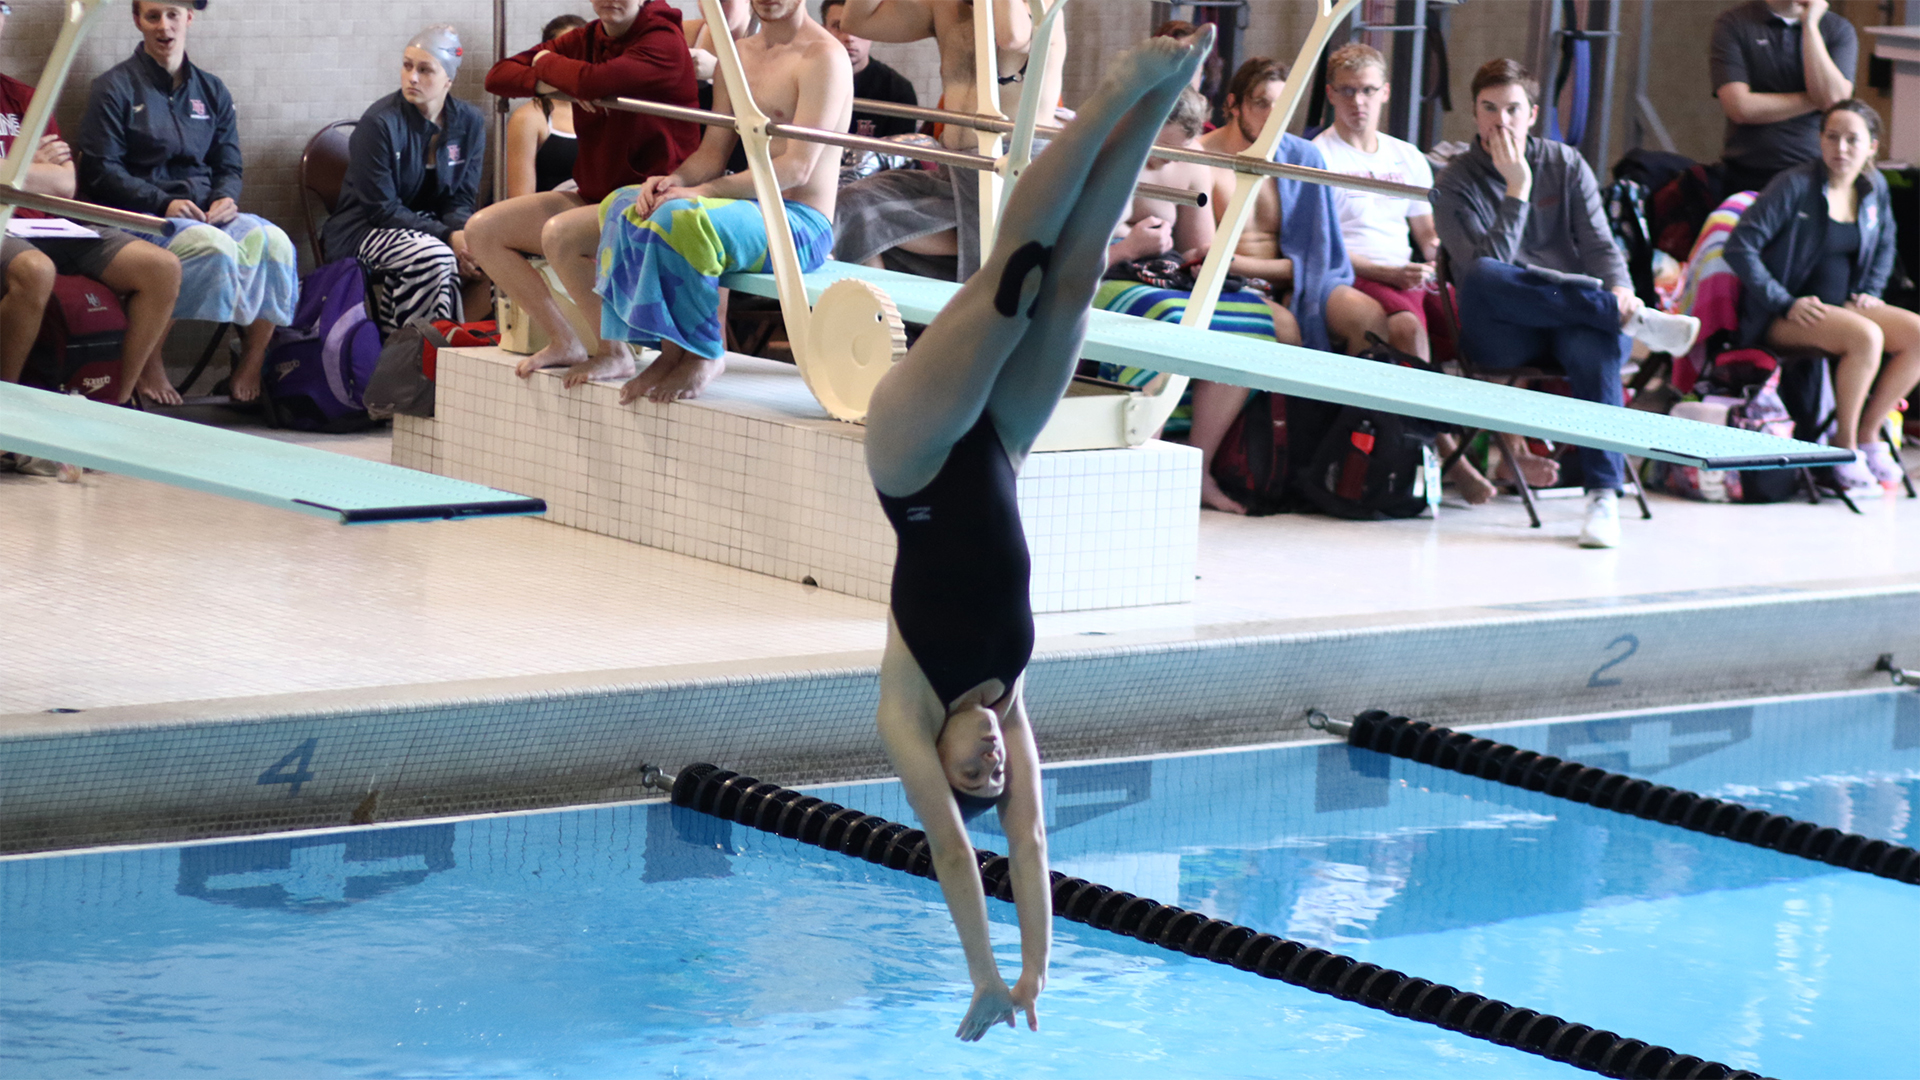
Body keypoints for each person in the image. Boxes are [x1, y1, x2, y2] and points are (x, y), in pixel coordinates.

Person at [866, 30, 1208, 1041]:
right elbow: (1033, 839)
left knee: (1011, 283)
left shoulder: (906, 705)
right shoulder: (1009, 703)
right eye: (993, 776)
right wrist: (1033, 974)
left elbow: (959, 854)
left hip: (917, 458)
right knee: (1075, 281)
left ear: (939, 753)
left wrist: (978, 970)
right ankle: (1159, 102)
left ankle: (1114, 91)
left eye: (972, 771)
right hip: (1001, 449)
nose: (993, 770)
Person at [1432, 59, 1701, 549]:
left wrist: (1620, 287)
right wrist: (1518, 188)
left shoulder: (1565, 163)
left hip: (1568, 319)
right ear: (1474, 115)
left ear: (1533, 114)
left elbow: (1601, 245)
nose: (1501, 122)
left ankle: (1602, 496)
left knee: (1592, 340)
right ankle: (1631, 321)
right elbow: (1484, 270)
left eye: (1512, 109)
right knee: (1485, 276)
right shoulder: (1454, 182)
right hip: (1503, 329)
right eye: (1488, 109)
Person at [1312, 42, 1552, 505]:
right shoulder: (1320, 155)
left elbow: (1428, 235)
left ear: (1384, 92)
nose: (1357, 102)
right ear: (1330, 94)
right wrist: (1387, 270)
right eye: (1346, 92)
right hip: (1354, 272)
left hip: (1407, 273)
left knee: (1493, 325)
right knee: (1405, 327)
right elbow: (1323, 249)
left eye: (1366, 91)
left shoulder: (1406, 157)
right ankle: (1450, 456)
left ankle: (1506, 447)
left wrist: (1445, 259)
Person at [595, 0, 851, 405]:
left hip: (801, 224)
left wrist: (703, 193)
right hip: (749, 212)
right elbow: (713, 152)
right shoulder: (738, 57)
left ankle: (704, 351)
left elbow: (797, 168)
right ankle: (668, 349)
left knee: (679, 217)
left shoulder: (824, 58)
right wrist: (672, 181)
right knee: (625, 205)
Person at [1190, 56, 1388, 512]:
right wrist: (1238, 268)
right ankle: (1295, 458)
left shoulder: (1302, 157)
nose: (1272, 117)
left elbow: (1318, 256)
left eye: (1282, 107)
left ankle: (1346, 451)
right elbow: (1202, 255)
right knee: (1284, 330)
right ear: (1234, 105)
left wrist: (1256, 268)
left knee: (1369, 319)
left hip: (1297, 279)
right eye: (1262, 104)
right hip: (1233, 286)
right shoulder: (1205, 156)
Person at [76, 0, 298, 405]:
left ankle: (252, 359)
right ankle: (151, 359)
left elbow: (228, 162)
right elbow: (100, 172)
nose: (165, 26)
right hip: (142, 216)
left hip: (205, 212)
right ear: (137, 21)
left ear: (189, 18)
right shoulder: (114, 87)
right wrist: (163, 203)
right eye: (153, 16)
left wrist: (226, 198)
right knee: (205, 246)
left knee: (275, 243)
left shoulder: (211, 90)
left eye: (173, 14)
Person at [474, 1, 701, 384]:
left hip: (655, 198)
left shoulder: (663, 41)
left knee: (560, 234)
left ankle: (613, 351)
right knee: (484, 230)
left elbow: (594, 84)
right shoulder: (588, 39)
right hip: (597, 195)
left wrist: (547, 64)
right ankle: (565, 340)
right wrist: (561, 79)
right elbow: (497, 76)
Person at [1086, 85, 1286, 509]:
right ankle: (1139, 464)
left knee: (1251, 319)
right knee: (1167, 318)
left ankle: (1198, 465)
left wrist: (1199, 260)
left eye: (1180, 151)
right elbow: (1067, 254)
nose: (1170, 161)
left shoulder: (1192, 160)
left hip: (1161, 276)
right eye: (1162, 150)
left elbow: (1200, 248)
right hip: (1103, 278)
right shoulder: (1107, 157)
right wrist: (1126, 249)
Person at [1724, 100, 1917, 490]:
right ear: (1819, 140)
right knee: (1866, 337)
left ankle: (1869, 433)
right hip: (1783, 313)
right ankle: (1843, 449)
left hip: (1843, 306)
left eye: (1852, 139)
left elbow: (1886, 245)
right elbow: (1739, 247)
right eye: (1831, 137)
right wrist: (1784, 300)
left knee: (1917, 333)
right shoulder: (1793, 185)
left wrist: (1871, 291)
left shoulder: (1874, 186)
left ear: (1873, 147)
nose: (1840, 148)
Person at [0, 4, 180, 413]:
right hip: (4, 227)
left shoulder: (25, 96)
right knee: (35, 271)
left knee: (161, 268)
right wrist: (33, 165)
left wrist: (18, 172)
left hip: (46, 223)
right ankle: (5, 416)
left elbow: (65, 183)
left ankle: (111, 408)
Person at [832, 0, 1068, 281]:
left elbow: (1011, 36)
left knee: (991, 269)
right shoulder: (945, 7)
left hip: (1014, 174)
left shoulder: (1043, 8)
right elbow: (857, 21)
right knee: (850, 206)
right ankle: (879, 317)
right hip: (952, 173)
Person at [322, 25, 487, 336]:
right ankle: (409, 362)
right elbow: (381, 210)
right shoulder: (380, 123)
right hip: (364, 230)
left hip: (428, 229)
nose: (412, 77)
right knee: (434, 257)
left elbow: (461, 199)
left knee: (488, 255)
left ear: (448, 80)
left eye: (425, 70)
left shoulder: (470, 123)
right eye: (407, 65)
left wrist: (463, 238)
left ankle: (454, 355)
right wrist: (447, 236)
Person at [1712, 0, 1857, 197]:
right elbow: (1739, 108)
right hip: (1748, 173)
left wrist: (1810, 25)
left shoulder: (1838, 29)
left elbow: (1835, 101)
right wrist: (1817, 99)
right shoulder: (1733, 23)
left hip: (1815, 173)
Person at [501, 14, 588, 199]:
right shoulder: (529, 119)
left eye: (581, 52)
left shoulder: (607, 112)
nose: (574, 62)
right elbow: (520, 201)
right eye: (566, 53)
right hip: (547, 220)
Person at [822, 0, 918, 140]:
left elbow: (900, 157)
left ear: (871, 31)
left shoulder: (898, 91)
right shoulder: (804, 81)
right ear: (823, 31)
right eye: (838, 26)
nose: (849, 37)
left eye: (858, 28)